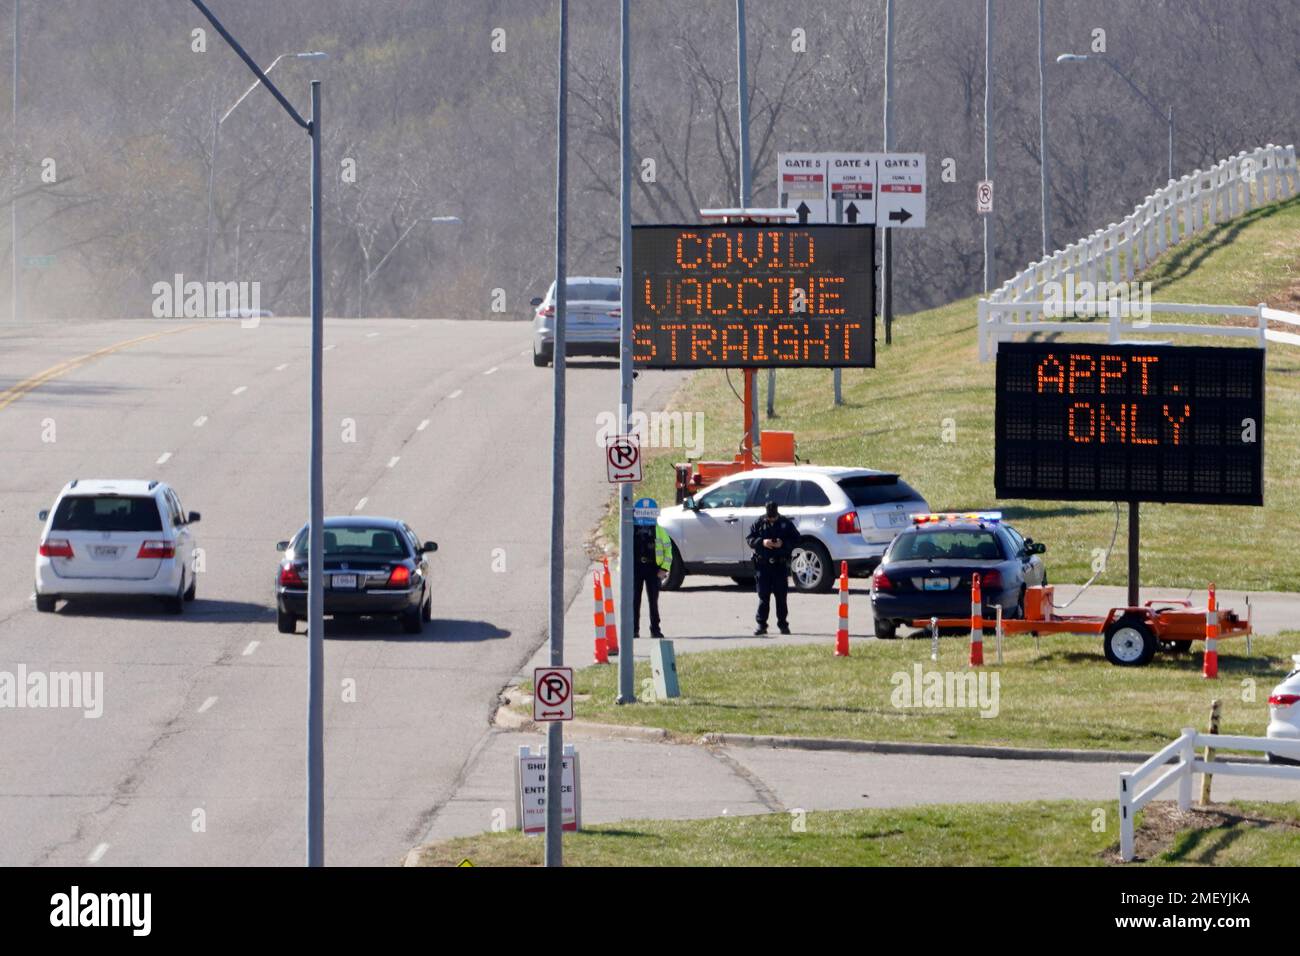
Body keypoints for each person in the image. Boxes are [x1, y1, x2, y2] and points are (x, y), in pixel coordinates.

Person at [746, 499, 798, 636]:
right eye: (769, 518)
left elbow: (796, 539)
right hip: (763, 566)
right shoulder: (759, 523)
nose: (771, 520)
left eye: (773, 518)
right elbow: (749, 539)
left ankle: (783, 624)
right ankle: (761, 624)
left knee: (781, 597)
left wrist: (783, 543)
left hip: (779, 565)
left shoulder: (785, 524)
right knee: (763, 596)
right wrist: (762, 542)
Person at [632, 498, 671, 638]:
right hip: (635, 568)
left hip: (653, 568)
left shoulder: (659, 530)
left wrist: (664, 569)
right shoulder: (631, 529)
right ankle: (633, 630)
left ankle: (655, 629)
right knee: (634, 600)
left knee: (653, 601)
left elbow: (668, 551)